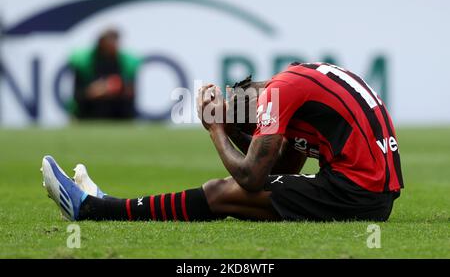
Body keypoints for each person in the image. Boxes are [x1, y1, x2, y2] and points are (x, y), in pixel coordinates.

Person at [41, 62, 403, 222]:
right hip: (368, 192)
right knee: (237, 198)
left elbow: (252, 178)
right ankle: (103, 203)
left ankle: (96, 209)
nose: (262, 132)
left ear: (257, 109)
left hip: (357, 192)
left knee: (222, 192)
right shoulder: (295, 86)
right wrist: (234, 133)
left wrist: (216, 130)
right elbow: (279, 169)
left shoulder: (278, 93)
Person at [69, 29, 140, 119]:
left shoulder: (128, 63)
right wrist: (92, 91)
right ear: (101, 43)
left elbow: (132, 92)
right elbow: (77, 94)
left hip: (118, 111)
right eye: (109, 41)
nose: (113, 45)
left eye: (115, 41)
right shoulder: (83, 63)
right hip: (90, 111)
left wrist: (116, 88)